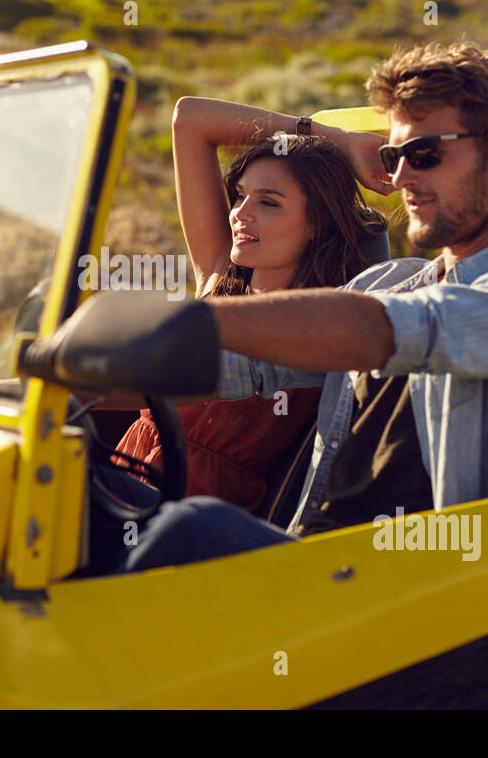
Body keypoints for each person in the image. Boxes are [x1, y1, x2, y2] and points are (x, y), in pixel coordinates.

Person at [103, 41, 488, 572]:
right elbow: (246, 368)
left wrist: (180, 321)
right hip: (332, 563)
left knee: (183, 531)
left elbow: (385, 330)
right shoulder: (392, 281)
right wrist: (79, 375)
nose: (398, 180)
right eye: (394, 158)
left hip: (454, 588)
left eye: (424, 155)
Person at [105, 101, 391, 516]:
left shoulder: (325, 321)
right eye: (240, 196)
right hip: (127, 485)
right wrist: (336, 139)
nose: (240, 214)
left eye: (268, 202)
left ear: (316, 223)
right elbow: (189, 119)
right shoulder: (220, 277)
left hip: (201, 517)